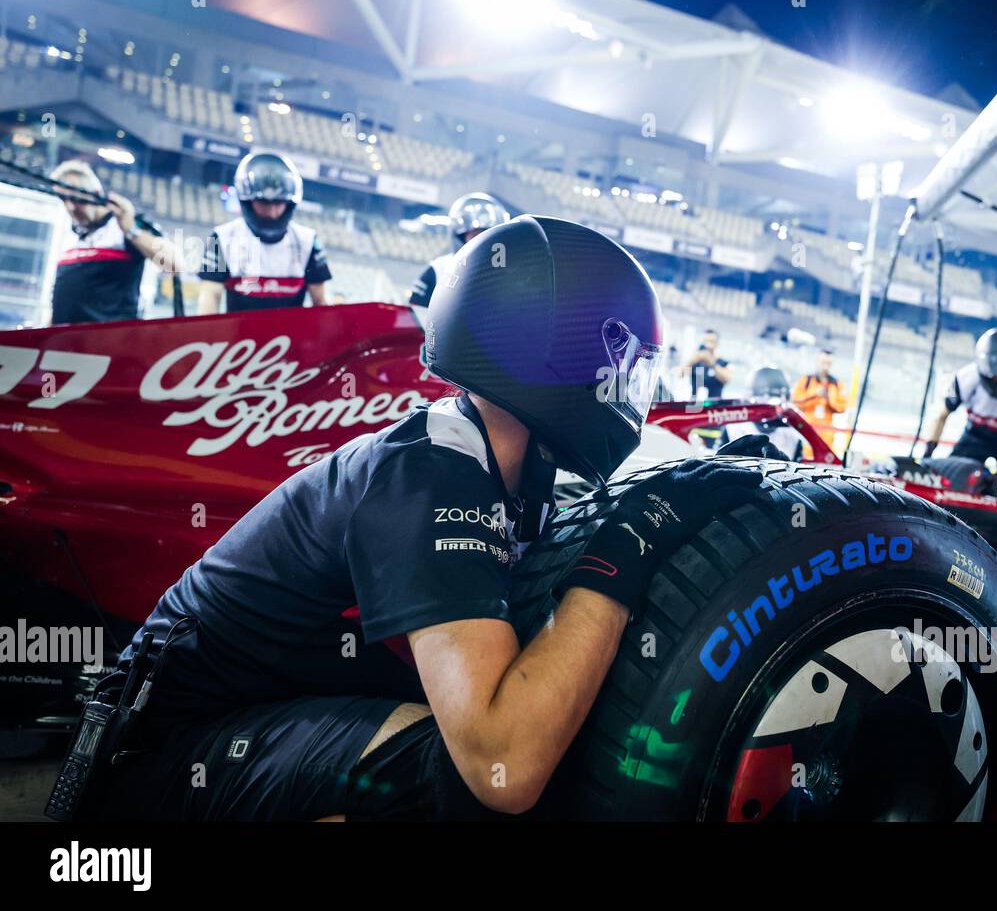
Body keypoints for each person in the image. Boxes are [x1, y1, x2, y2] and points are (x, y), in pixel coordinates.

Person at [71, 215, 760, 821]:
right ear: (556, 356)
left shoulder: (505, 464)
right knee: (456, 782)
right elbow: (503, 770)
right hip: (161, 761)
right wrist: (626, 552)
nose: (627, 384)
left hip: (246, 720)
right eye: (620, 361)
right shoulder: (430, 477)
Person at [48, 160, 183, 324]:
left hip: (110, 341)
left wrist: (131, 230)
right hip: (62, 341)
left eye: (75, 198)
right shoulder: (70, 234)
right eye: (63, 199)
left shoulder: (124, 222)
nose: (70, 207)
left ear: (96, 193)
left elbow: (175, 262)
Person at [197, 151, 331, 314]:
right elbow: (210, 295)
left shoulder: (308, 241)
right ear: (247, 200)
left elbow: (320, 302)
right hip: (238, 337)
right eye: (263, 202)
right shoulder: (222, 237)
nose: (271, 211)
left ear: (289, 203)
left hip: (292, 336)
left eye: (278, 202)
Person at [922, 328, 997, 503]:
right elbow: (940, 415)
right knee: (955, 474)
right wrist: (929, 447)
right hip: (976, 435)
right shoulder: (964, 379)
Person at [408, 192, 510, 316]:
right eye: (475, 234)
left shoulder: (508, 272)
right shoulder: (439, 269)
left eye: (487, 235)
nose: (481, 240)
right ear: (460, 237)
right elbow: (416, 312)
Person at [721, 366, 805, 460]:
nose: (770, 404)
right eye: (764, 395)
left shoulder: (792, 436)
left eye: (776, 397)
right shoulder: (734, 429)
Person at [792, 349, 847, 455]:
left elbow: (842, 407)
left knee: (824, 460)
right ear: (817, 361)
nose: (825, 366)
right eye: (823, 362)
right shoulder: (806, 381)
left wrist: (829, 398)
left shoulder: (837, 384)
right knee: (804, 458)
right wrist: (814, 393)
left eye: (828, 363)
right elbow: (796, 401)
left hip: (827, 433)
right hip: (806, 428)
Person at [680, 328, 731, 400]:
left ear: (717, 344)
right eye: (705, 341)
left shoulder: (723, 363)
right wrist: (692, 360)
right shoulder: (695, 361)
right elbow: (680, 375)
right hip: (695, 406)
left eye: (711, 342)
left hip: (714, 407)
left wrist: (712, 364)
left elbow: (727, 379)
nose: (708, 345)